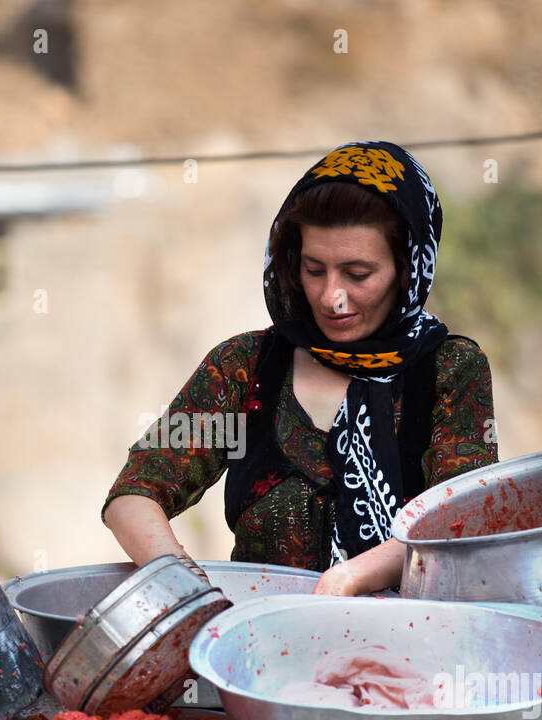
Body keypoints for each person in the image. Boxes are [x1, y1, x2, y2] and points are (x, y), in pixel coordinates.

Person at [101, 141, 498, 595]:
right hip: (258, 647)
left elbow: (462, 518)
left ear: (408, 269)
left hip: (409, 650)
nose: (332, 296)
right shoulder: (244, 367)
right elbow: (134, 494)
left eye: (358, 274)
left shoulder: (449, 371)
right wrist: (183, 581)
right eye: (314, 269)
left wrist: (349, 580)